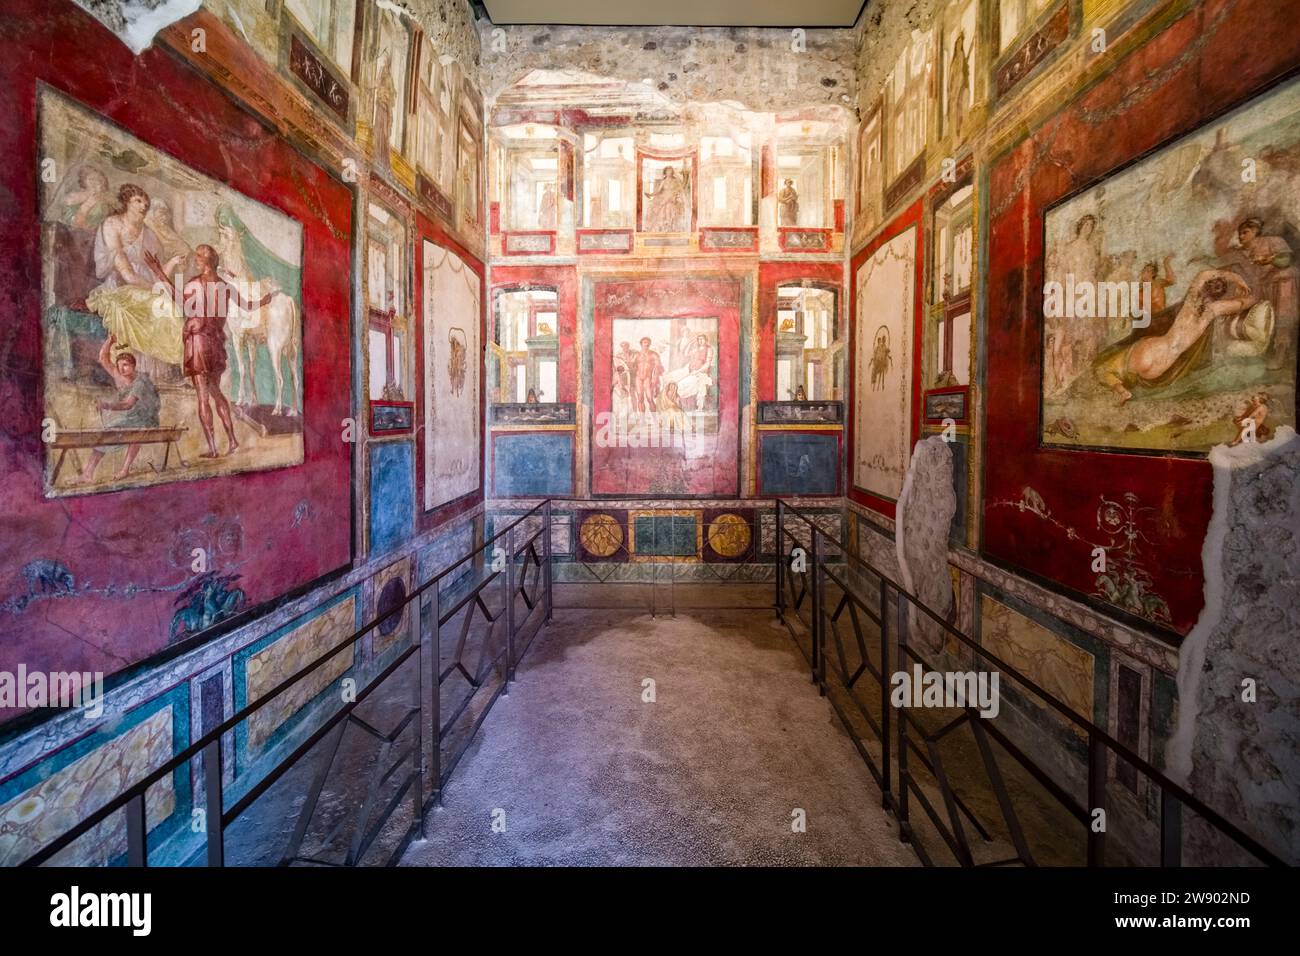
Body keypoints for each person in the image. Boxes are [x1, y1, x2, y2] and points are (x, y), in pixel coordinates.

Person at [145, 244, 277, 458]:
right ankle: (233, 440)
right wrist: (264, 300)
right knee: (216, 393)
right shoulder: (225, 287)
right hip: (216, 344)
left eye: (198, 257)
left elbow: (180, 302)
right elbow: (248, 305)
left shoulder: (195, 284)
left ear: (205, 262)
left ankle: (214, 449)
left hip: (198, 342)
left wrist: (159, 272)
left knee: (203, 397)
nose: (195, 260)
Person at [1093, 269, 1257, 402]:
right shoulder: (1213, 310)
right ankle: (1122, 390)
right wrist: (1245, 291)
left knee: (1104, 369)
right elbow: (1245, 302)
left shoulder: (1191, 299)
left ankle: (1121, 391)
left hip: (1151, 350)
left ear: (1203, 287)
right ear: (1218, 296)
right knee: (1126, 375)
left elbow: (1204, 274)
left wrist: (1235, 277)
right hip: (1160, 367)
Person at [86, 184, 187, 368]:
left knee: (170, 308)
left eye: (146, 203)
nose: (143, 206)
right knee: (162, 305)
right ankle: (132, 368)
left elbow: (156, 273)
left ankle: (177, 364)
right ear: (126, 202)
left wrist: (172, 262)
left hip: (146, 288)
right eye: (138, 201)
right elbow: (128, 276)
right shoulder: (112, 225)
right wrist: (159, 290)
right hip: (120, 288)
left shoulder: (149, 235)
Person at [76, 334, 161, 483]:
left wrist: (107, 405)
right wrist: (110, 340)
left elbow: (128, 404)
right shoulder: (118, 375)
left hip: (146, 419)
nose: (122, 368)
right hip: (132, 418)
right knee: (107, 432)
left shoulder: (140, 382)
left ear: (133, 366)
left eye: (126, 365)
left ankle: (121, 470)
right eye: (120, 365)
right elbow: (103, 358)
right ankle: (88, 474)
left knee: (115, 433)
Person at [632, 336, 663, 414]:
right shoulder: (637, 355)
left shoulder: (653, 354)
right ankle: (642, 420)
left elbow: (658, 367)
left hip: (648, 378)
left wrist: (655, 378)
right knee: (640, 398)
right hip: (638, 378)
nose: (646, 344)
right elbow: (631, 366)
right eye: (644, 342)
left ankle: (655, 418)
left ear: (650, 344)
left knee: (650, 399)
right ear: (641, 344)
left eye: (648, 343)